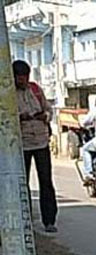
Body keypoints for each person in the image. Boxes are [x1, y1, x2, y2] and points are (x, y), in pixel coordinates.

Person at [13, 60, 58, 233]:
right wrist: (20, 117)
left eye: (24, 77)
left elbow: (48, 110)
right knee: (22, 184)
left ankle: (49, 220)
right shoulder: (9, 93)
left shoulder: (36, 90)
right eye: (19, 77)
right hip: (21, 144)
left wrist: (44, 116)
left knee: (46, 181)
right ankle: (25, 219)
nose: (22, 81)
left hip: (41, 141)